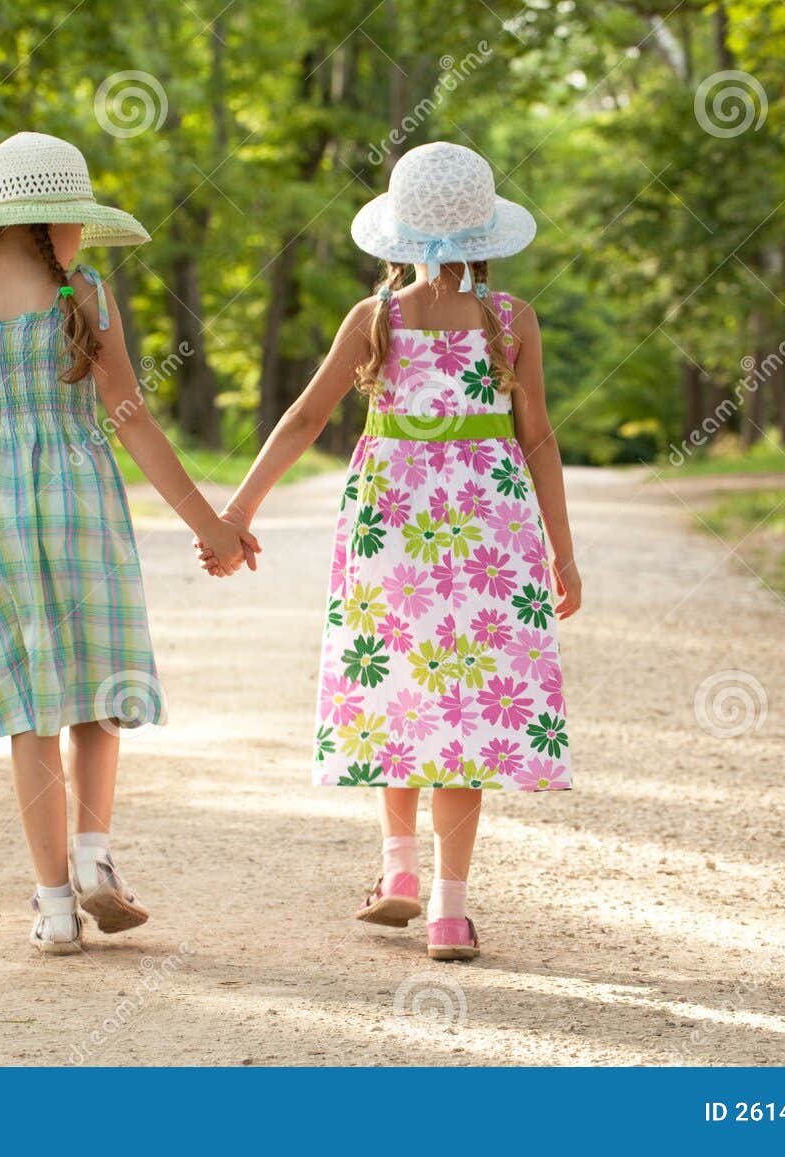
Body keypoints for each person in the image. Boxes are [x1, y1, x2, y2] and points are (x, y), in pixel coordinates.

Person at [198, 142, 579, 961]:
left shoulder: (377, 318)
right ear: (485, 234)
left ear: (398, 238)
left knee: (403, 691)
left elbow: (303, 420)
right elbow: (537, 437)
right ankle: (448, 908)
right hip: (489, 530)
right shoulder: (510, 319)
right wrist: (563, 552)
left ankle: (398, 869)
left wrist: (236, 512)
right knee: (468, 709)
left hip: (393, 521)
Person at [0, 132, 257, 955]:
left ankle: (54, 908)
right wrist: (211, 525)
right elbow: (134, 422)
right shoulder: (84, 295)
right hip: (80, 507)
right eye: (76, 220)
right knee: (98, 688)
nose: (82, 236)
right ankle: (94, 857)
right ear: (51, 223)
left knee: (30, 714)